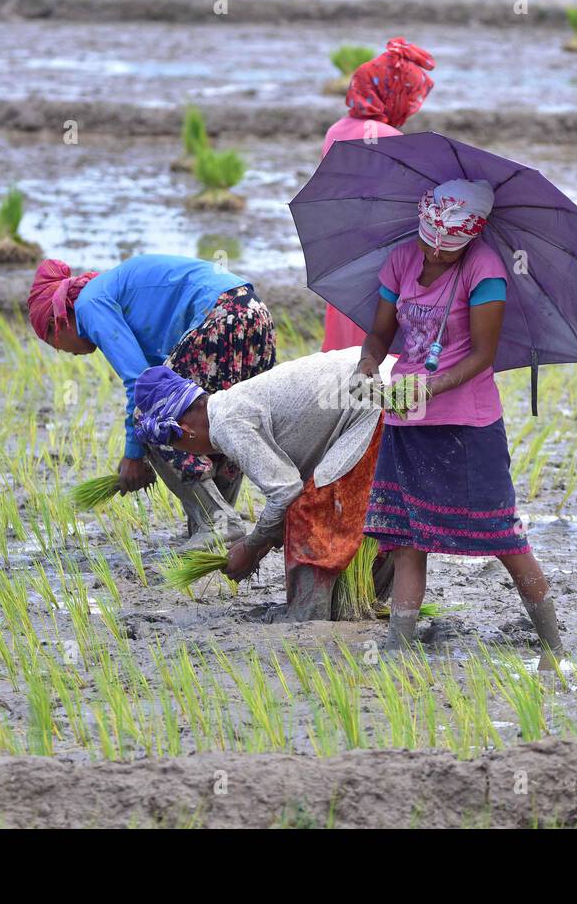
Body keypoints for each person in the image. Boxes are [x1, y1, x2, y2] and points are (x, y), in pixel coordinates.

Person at [353, 179, 565, 669]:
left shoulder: (486, 267)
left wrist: (430, 387)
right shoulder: (403, 260)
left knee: (503, 537)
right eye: (430, 240)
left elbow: (483, 356)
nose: (435, 253)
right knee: (406, 538)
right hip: (406, 417)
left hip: (466, 424)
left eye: (448, 248)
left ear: (472, 238)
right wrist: (366, 365)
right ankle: (397, 647)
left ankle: (554, 647)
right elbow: (381, 333)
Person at [27, 254, 275, 548]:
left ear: (58, 324)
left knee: (153, 417)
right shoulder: (114, 293)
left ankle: (216, 520)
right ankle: (213, 526)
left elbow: (141, 384)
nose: (66, 352)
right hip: (255, 313)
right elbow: (163, 372)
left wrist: (133, 455)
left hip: (219, 317)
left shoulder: (89, 304)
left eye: (55, 345)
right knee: (225, 418)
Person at [132, 349, 396, 620]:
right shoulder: (232, 403)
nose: (191, 453)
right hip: (386, 381)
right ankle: (358, 606)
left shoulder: (226, 424)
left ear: (185, 428)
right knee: (371, 518)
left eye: (178, 445)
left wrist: (251, 547)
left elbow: (286, 493)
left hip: (374, 400)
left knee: (312, 513)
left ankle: (308, 618)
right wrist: (259, 545)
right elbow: (290, 487)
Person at [319, 37, 435, 353]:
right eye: (410, 99)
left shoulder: (337, 129)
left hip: (344, 255)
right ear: (393, 94)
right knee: (381, 350)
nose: (411, 109)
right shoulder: (389, 138)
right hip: (380, 261)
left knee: (345, 350)